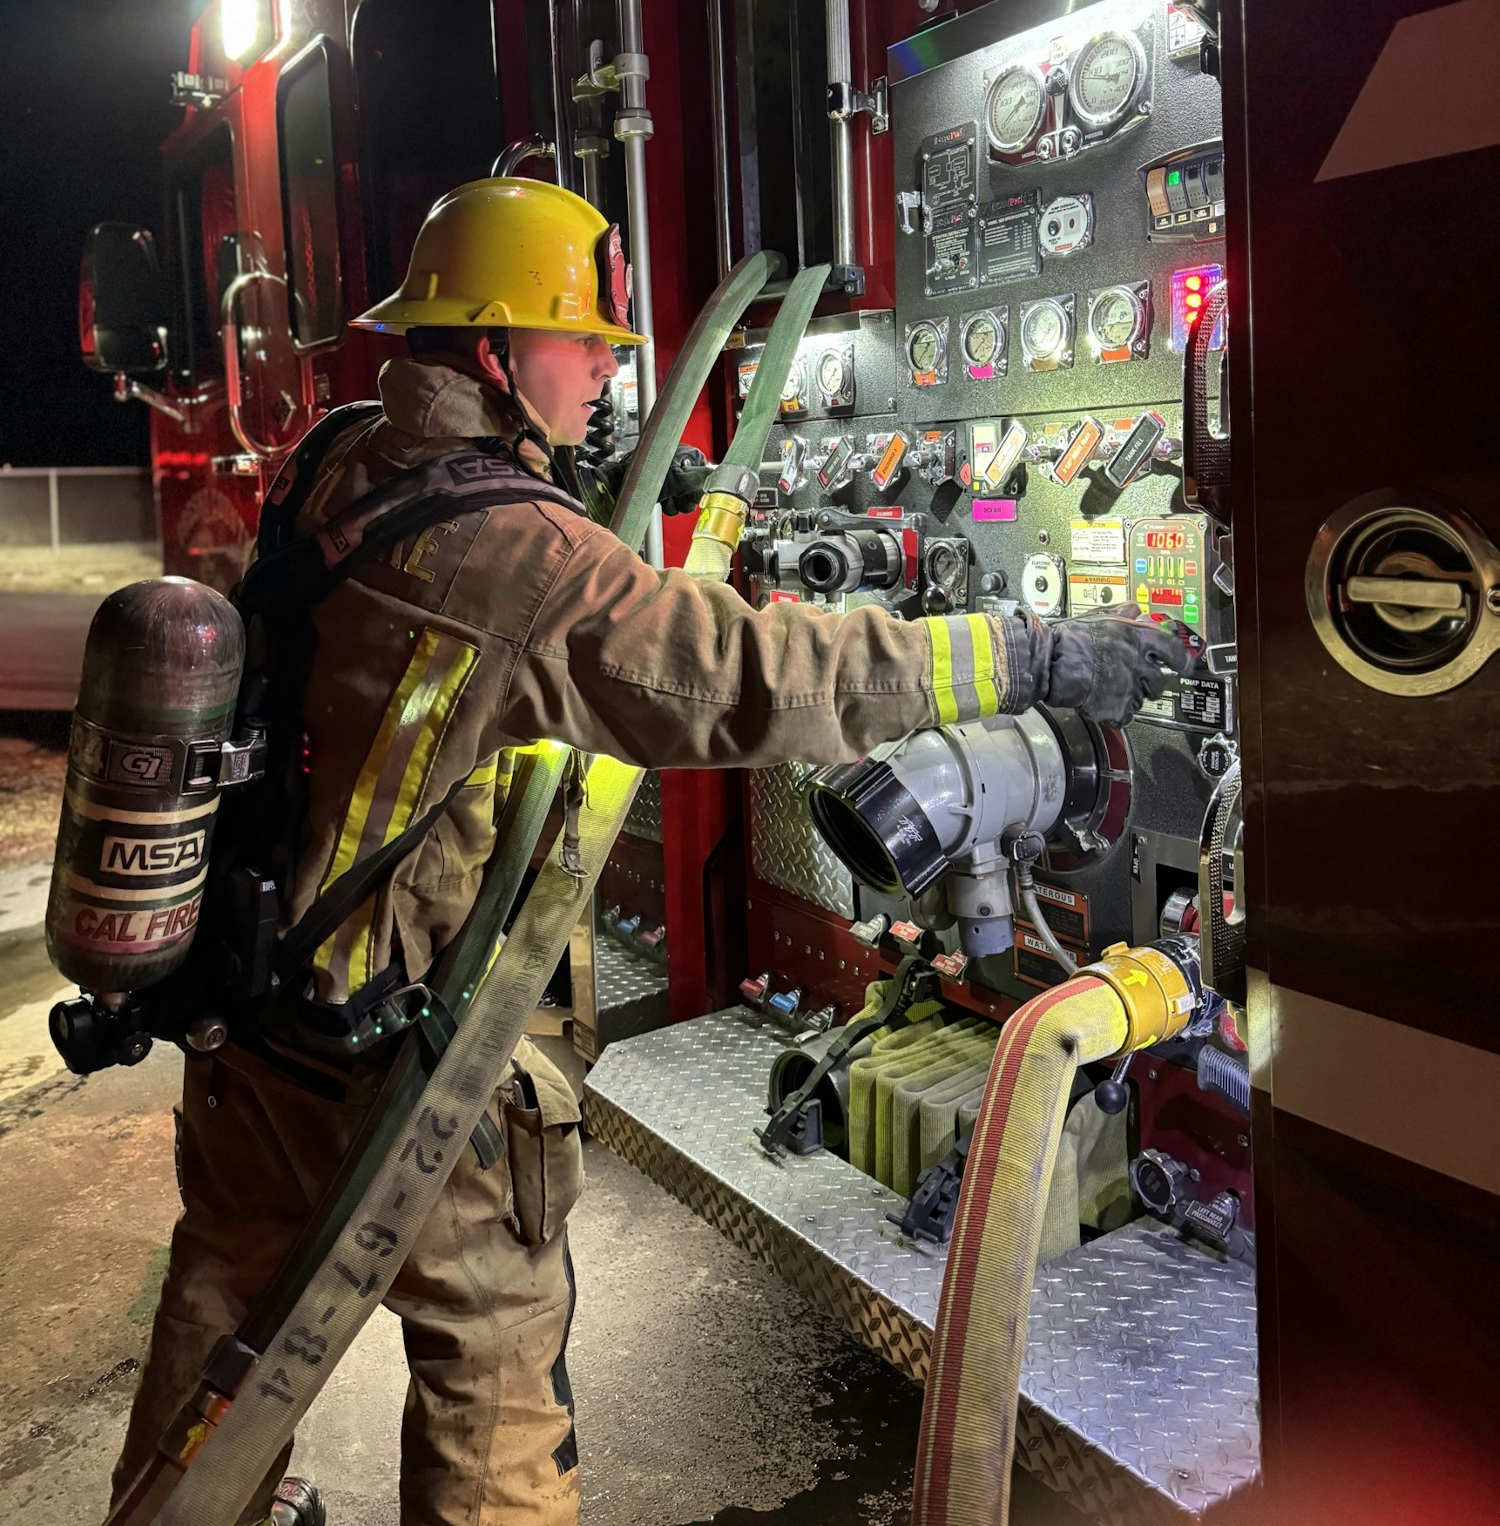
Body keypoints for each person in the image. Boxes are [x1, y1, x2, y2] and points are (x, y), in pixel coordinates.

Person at [111, 177, 1197, 1526]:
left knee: (218, 1320)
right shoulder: (518, 547)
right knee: (497, 1371)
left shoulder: (343, 455)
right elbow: (749, 673)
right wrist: (1026, 655)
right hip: (398, 1065)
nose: (603, 380)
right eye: (583, 350)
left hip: (254, 1019)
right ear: (500, 354)